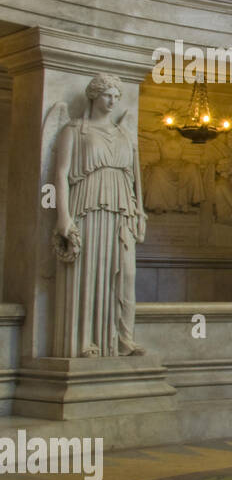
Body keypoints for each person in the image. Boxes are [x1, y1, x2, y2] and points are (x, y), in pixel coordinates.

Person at [50, 74, 147, 357]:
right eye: (108, 95)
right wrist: (63, 216)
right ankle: (85, 341)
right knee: (89, 273)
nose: (113, 101)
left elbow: (133, 179)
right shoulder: (74, 130)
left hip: (121, 210)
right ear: (93, 96)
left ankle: (122, 339)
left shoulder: (124, 135)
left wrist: (138, 211)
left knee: (125, 274)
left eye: (117, 96)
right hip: (88, 206)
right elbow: (60, 175)